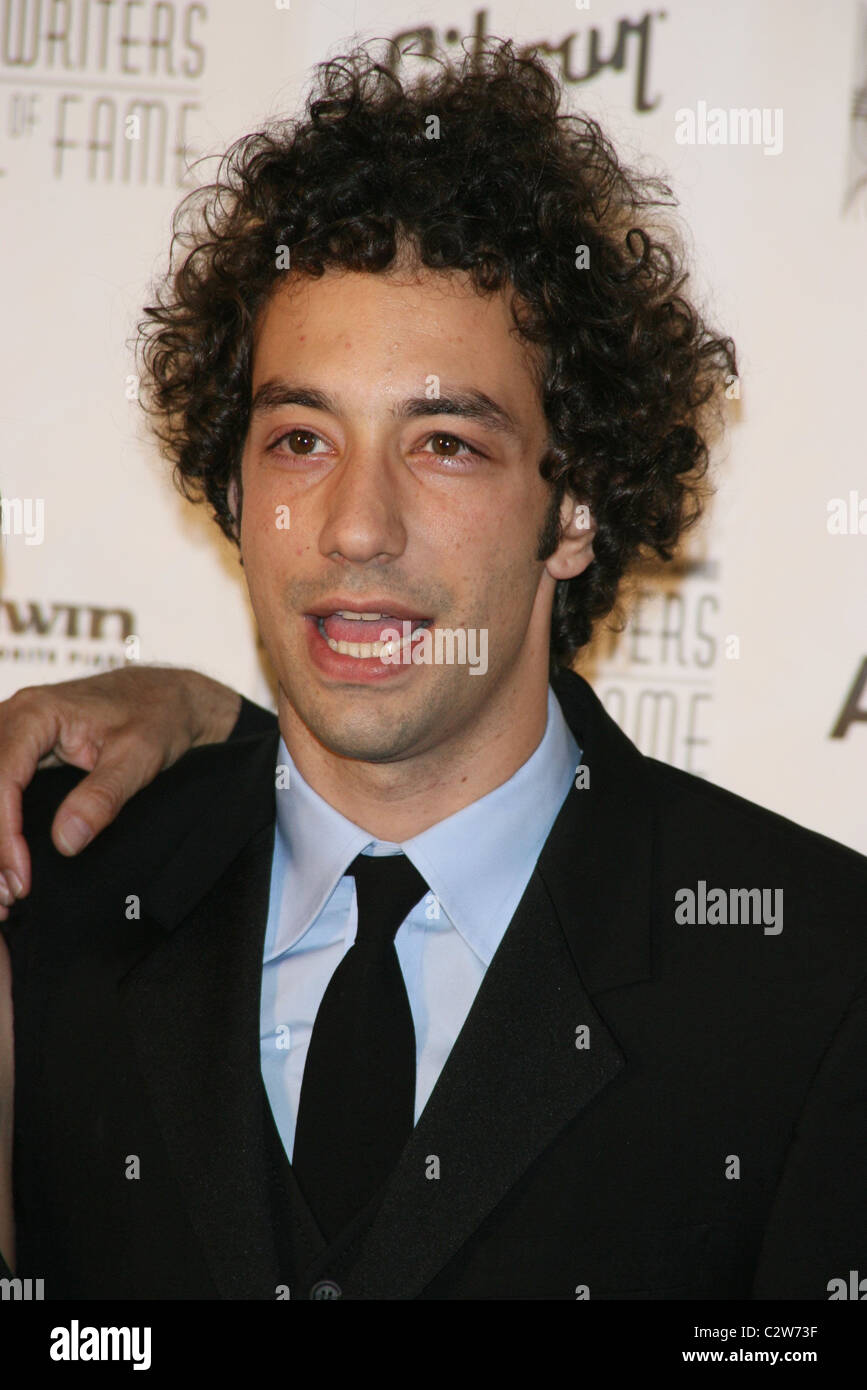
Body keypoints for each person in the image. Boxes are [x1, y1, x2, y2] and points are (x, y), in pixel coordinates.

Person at [1, 38, 865, 1301]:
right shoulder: (56, 915)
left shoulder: (819, 979)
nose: (356, 524)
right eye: (301, 438)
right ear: (236, 491)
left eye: (446, 443)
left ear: (573, 508)